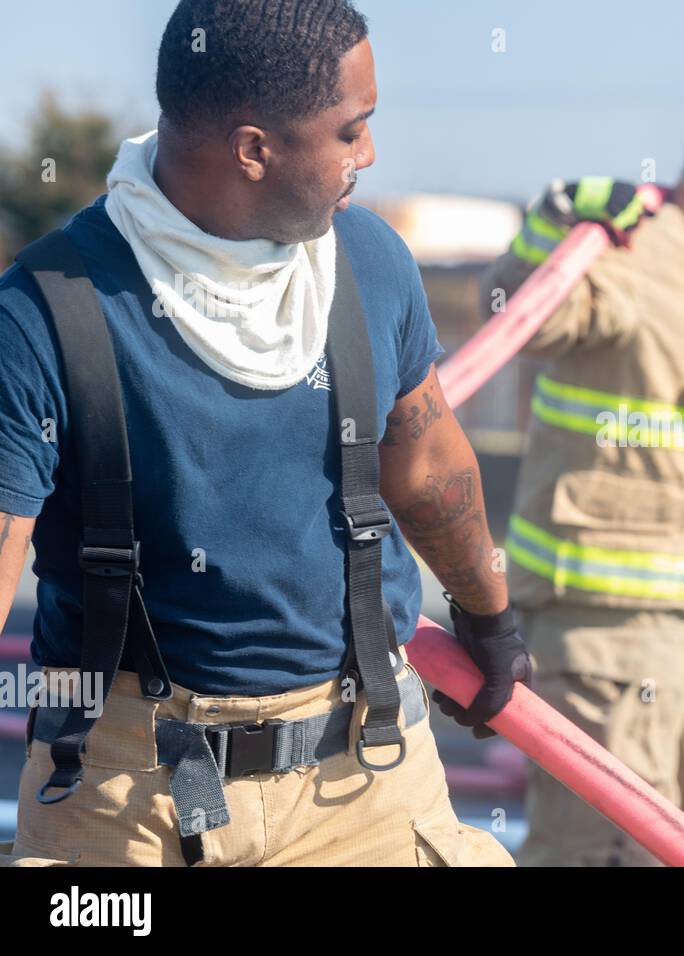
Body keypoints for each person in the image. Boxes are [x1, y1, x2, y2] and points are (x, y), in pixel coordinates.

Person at [0, 0, 528, 867]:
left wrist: (489, 619)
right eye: (352, 132)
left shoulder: (369, 261)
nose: (370, 155)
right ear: (254, 150)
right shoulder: (42, 309)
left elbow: (428, 463)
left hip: (366, 774)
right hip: (118, 788)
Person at [478, 90, 684, 866]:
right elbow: (511, 310)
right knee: (604, 847)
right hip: (609, 625)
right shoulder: (640, 247)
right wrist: (555, 222)